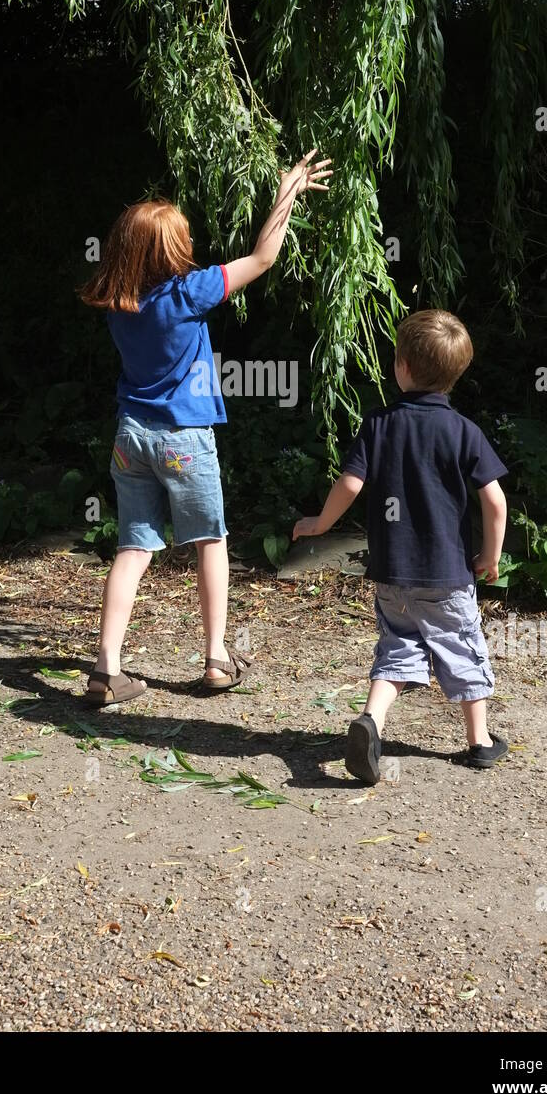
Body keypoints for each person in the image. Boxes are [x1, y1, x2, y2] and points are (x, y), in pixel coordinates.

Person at [80, 148, 333, 706]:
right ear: (174, 249)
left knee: (133, 548)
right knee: (210, 542)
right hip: (183, 440)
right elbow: (264, 257)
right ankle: (217, 659)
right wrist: (288, 188)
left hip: (131, 437)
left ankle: (106, 669)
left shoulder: (117, 304)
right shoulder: (187, 295)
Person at [293, 309, 509, 780]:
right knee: (462, 647)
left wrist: (320, 524)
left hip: (392, 573)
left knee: (398, 647)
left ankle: (371, 720)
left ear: (402, 367)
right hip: (447, 575)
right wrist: (490, 556)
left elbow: (350, 484)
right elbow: (494, 502)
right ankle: (479, 741)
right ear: (454, 376)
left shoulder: (380, 424)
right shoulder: (463, 432)